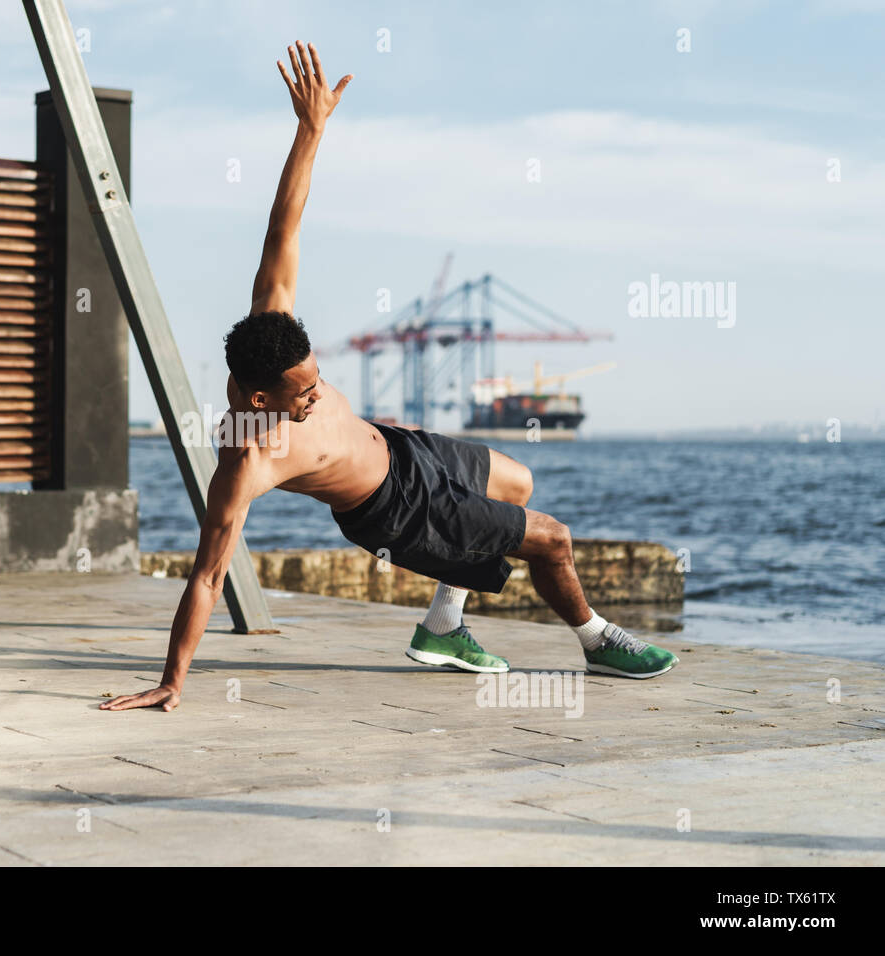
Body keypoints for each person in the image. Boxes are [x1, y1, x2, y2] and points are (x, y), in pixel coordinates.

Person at [102, 42, 676, 713]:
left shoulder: (271, 334)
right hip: (397, 509)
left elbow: (281, 227)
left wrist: (310, 129)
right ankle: (597, 640)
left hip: (402, 447)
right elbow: (206, 576)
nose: (318, 394)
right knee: (550, 538)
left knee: (518, 479)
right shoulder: (247, 457)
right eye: (305, 394)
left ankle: (444, 627)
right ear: (260, 399)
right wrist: (173, 679)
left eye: (318, 379)